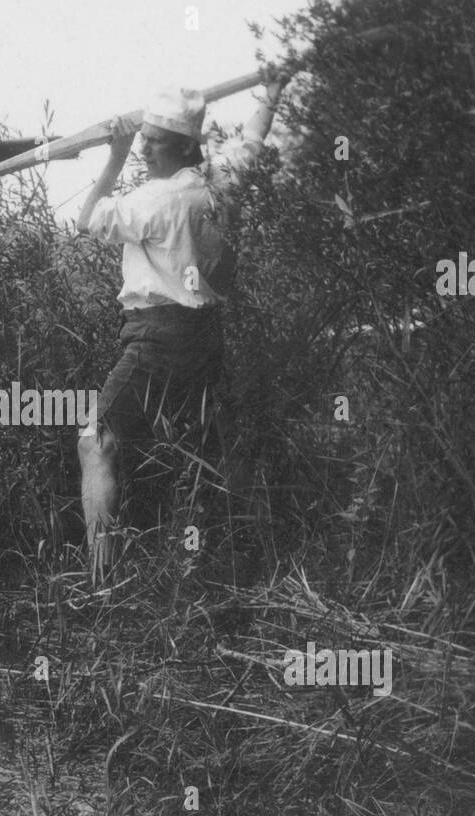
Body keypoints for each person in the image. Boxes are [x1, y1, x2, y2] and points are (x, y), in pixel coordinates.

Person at [76, 73, 287, 579]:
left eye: (150, 142)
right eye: (143, 140)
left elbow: (87, 217)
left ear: (173, 148)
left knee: (96, 441)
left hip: (155, 338)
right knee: (193, 452)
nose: (144, 150)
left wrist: (115, 153)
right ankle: (206, 570)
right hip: (204, 337)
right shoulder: (222, 182)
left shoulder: (156, 201)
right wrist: (273, 94)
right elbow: (253, 143)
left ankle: (100, 581)